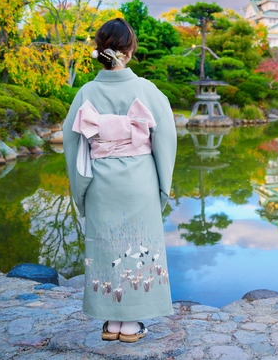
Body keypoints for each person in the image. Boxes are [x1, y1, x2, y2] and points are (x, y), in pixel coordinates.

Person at [62, 18, 177, 343]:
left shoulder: (86, 91)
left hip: (101, 181)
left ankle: (111, 323)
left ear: (101, 51)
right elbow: (166, 137)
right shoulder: (146, 90)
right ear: (128, 51)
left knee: (105, 246)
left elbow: (70, 140)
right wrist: (161, 185)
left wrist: (81, 185)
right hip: (138, 181)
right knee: (137, 247)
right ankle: (131, 324)